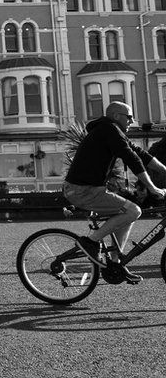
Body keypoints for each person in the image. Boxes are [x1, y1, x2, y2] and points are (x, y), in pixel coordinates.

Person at [65, 102, 166, 284]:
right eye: (129, 117)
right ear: (116, 115)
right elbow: (132, 159)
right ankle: (90, 241)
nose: (132, 121)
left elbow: (140, 153)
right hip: (82, 191)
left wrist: (165, 171)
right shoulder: (108, 129)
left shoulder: (112, 131)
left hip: (91, 189)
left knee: (127, 215)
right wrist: (152, 188)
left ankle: (115, 263)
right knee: (134, 211)